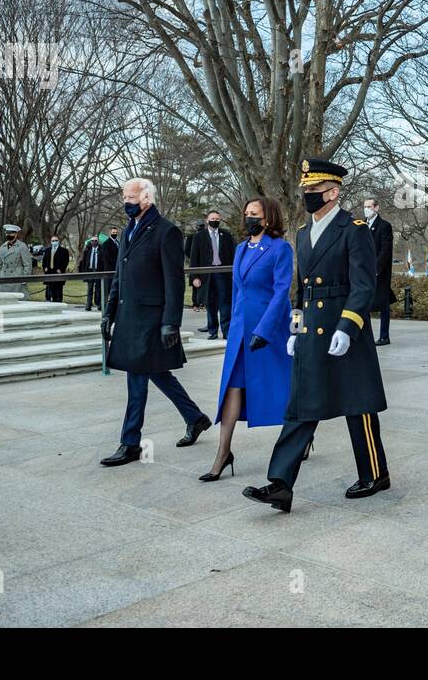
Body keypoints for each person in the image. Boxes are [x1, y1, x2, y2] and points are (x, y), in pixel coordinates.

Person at [242, 159, 389, 511]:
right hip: (311, 329)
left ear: (333, 192)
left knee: (358, 403)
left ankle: (375, 473)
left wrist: (348, 327)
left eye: (313, 190)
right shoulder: (304, 233)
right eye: (305, 190)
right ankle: (280, 485)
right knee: (300, 406)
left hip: (342, 328)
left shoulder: (354, 229)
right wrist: (295, 327)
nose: (307, 195)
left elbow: (363, 285)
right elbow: (302, 290)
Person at [100, 178, 210, 467]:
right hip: (129, 316)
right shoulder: (127, 232)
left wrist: (171, 322)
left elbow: (174, 282)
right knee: (158, 373)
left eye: (130, 196)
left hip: (151, 319)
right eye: (124, 196)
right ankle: (195, 418)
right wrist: (108, 312)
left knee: (137, 376)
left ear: (146, 198)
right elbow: (119, 278)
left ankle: (130, 442)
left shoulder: (166, 232)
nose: (125, 201)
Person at [199, 198, 293, 481]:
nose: (248, 217)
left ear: (268, 218)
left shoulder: (280, 248)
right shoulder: (240, 249)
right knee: (232, 387)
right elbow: (237, 291)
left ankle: (302, 433)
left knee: (283, 384)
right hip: (241, 330)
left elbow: (281, 292)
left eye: (254, 214)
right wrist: (231, 326)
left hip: (270, 330)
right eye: (246, 213)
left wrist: (264, 330)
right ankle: (223, 453)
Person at [188, 211, 234, 339]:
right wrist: (194, 277)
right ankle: (212, 331)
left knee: (225, 303)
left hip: (223, 274)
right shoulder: (199, 237)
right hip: (206, 275)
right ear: (207, 220)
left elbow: (233, 254)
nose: (215, 220)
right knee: (210, 303)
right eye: (213, 218)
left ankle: (227, 331)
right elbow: (194, 258)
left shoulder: (226, 235)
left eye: (217, 218)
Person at [364, 198, 394, 345]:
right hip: (364, 270)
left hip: (379, 272)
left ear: (376, 208)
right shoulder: (362, 225)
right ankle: (366, 335)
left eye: (369, 206)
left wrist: (376, 268)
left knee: (383, 305)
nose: (366, 209)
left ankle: (384, 336)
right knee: (363, 303)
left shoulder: (384, 226)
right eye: (365, 206)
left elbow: (385, 250)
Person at [0, 224, 32, 297]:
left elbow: (27, 265)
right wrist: (0, 275)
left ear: (15, 234)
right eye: (7, 233)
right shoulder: (2, 247)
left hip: (17, 278)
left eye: (10, 233)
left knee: (17, 300)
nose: (8, 235)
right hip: (4, 278)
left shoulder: (22, 246)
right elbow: (0, 264)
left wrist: (24, 279)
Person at [79, 235, 106, 311]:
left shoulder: (101, 250)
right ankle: (88, 305)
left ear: (98, 242)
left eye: (95, 241)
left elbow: (104, 262)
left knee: (99, 289)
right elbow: (83, 262)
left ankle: (99, 305)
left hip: (98, 272)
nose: (94, 242)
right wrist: (84, 273)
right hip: (90, 272)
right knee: (90, 289)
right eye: (92, 241)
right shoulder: (87, 250)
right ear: (90, 242)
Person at [41, 234, 70, 303]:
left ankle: (58, 301)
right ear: (51, 242)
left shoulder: (64, 250)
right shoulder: (47, 250)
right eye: (53, 240)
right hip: (49, 273)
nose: (54, 242)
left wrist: (61, 269)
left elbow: (66, 261)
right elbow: (44, 261)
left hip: (58, 273)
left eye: (56, 240)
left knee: (58, 289)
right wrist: (45, 268)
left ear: (58, 241)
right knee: (49, 288)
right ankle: (48, 299)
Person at [100, 227, 120, 311]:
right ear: (110, 233)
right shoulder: (106, 244)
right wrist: (111, 270)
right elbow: (106, 259)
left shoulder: (119, 243)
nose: (115, 234)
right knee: (109, 290)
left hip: (118, 270)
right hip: (111, 270)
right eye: (113, 232)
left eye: (116, 232)